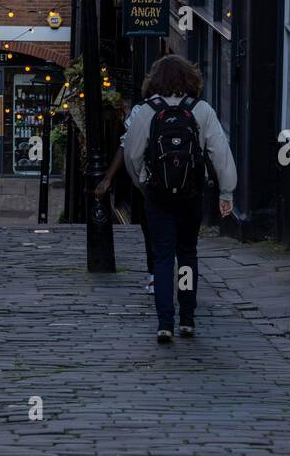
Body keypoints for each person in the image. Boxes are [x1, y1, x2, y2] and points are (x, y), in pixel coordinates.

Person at [123, 55, 236, 343]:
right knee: (186, 254)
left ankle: (165, 322)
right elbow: (220, 154)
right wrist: (226, 192)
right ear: (190, 79)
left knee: (162, 258)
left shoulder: (146, 112)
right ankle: (187, 316)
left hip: (158, 195)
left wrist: (143, 184)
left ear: (154, 79)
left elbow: (132, 155)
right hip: (191, 195)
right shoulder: (201, 110)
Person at [96, 115, 155, 293]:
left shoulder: (143, 110)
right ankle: (186, 293)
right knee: (186, 247)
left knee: (152, 232)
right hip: (189, 188)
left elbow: (129, 149)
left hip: (153, 185)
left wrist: (139, 180)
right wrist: (225, 192)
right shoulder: (198, 108)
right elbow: (216, 149)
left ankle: (155, 277)